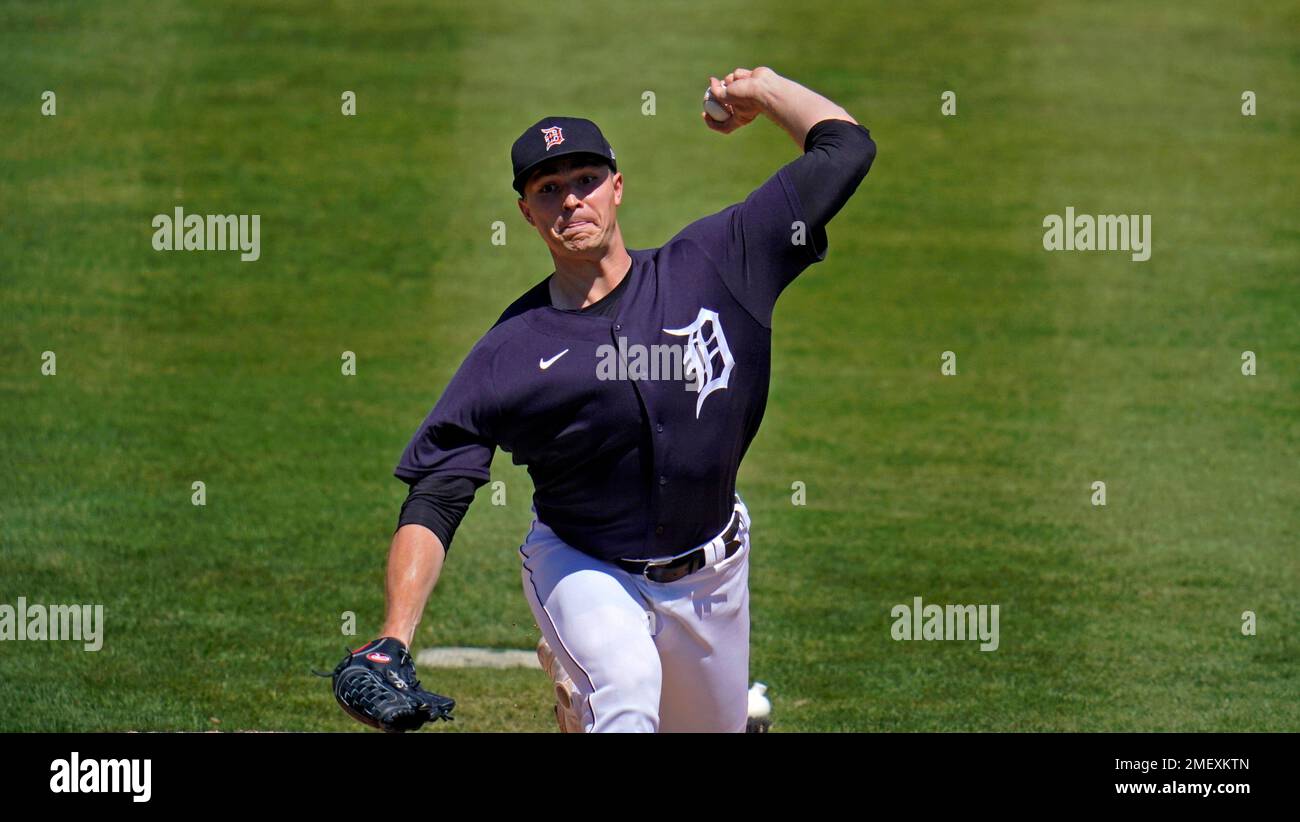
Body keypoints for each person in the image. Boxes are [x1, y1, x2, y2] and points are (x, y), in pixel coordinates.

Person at [368, 67, 875, 732]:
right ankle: (595, 692)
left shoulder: (716, 265)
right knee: (628, 696)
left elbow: (845, 150)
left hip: (711, 576)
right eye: (548, 190)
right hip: (583, 564)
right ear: (527, 212)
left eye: (585, 181)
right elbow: (437, 491)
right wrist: (392, 639)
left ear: (617, 187)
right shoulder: (509, 352)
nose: (571, 201)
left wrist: (764, 90)